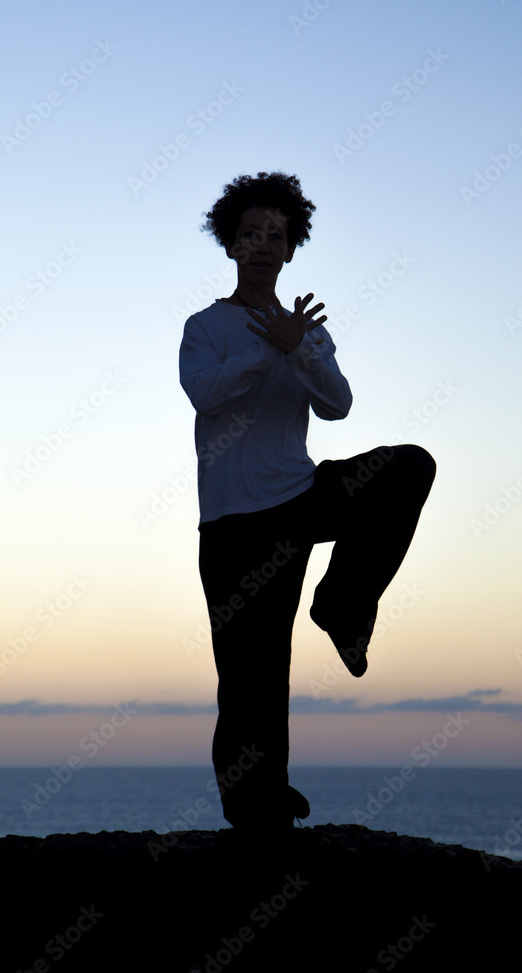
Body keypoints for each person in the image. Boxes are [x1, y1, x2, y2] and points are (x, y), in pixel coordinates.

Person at [179, 171, 436, 835]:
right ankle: (257, 808)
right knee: (253, 677)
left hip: (299, 495)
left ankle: (342, 604)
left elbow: (337, 405)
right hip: (235, 525)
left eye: (276, 234)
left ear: (292, 249)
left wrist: (301, 351)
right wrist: (267, 354)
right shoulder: (204, 327)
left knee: (407, 468)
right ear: (230, 245)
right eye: (250, 234)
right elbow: (207, 397)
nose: (263, 244)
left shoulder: (305, 331)